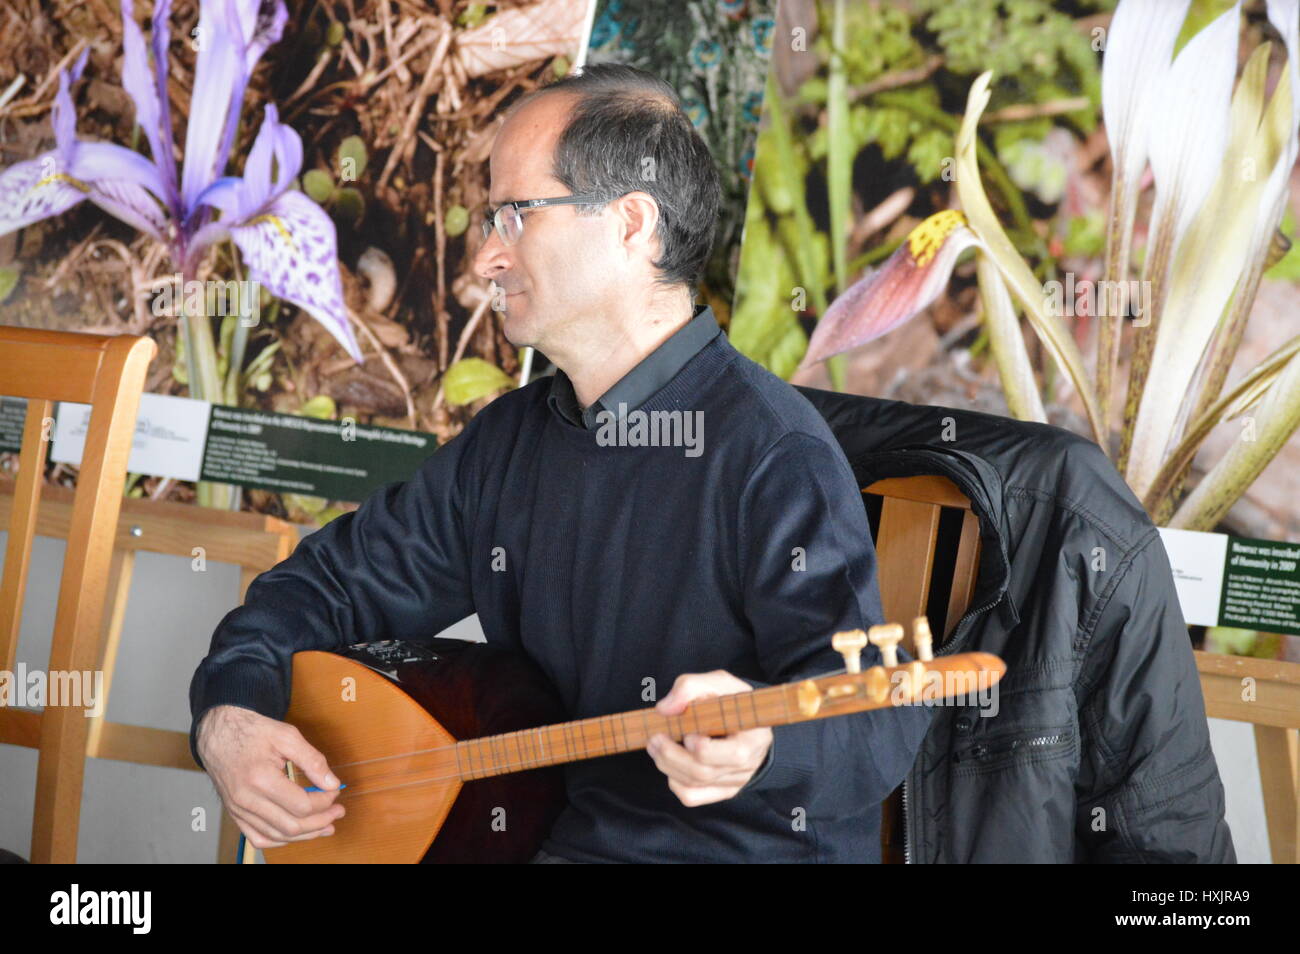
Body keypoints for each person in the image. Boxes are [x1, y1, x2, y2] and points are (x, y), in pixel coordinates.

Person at [189, 63, 932, 863]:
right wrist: (229, 715)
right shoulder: (509, 443)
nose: (485, 259)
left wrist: (761, 739)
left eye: (514, 215)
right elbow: (325, 586)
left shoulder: (774, 453)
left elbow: (875, 724)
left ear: (630, 223)